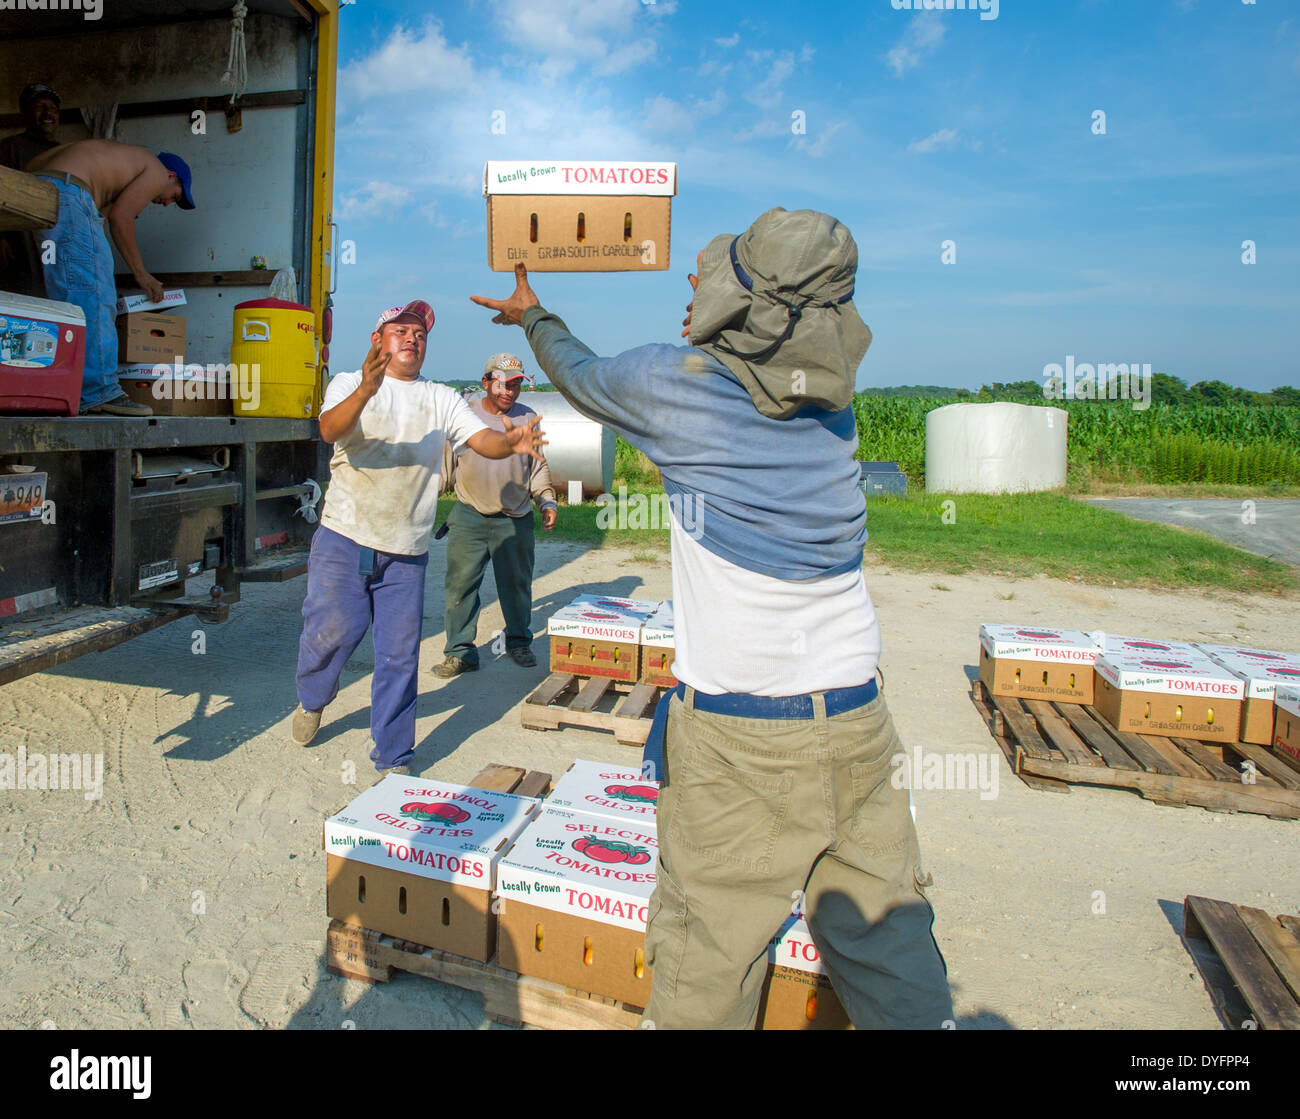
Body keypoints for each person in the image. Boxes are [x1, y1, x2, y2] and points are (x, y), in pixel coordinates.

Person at [471, 209, 954, 1030]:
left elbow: (578, 371)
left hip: (741, 737)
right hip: (858, 722)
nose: (694, 281)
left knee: (706, 964)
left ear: (747, 303)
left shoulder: (675, 385)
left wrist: (531, 314)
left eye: (713, 274)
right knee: (887, 946)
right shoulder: (832, 409)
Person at [291, 302, 547, 777]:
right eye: (401, 330)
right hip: (345, 537)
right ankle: (312, 698)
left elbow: (481, 442)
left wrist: (509, 443)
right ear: (378, 339)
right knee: (331, 635)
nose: (413, 338)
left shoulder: (441, 398)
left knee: (399, 655)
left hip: (406, 549)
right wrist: (368, 389)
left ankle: (393, 755)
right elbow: (330, 430)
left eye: (421, 333)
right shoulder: (349, 383)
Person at [25, 140, 197, 416]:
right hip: (70, 194)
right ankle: (98, 391)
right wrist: (142, 275)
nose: (165, 203)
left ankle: (64, 388)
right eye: (174, 197)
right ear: (171, 176)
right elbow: (121, 218)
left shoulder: (109, 158)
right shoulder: (155, 170)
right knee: (95, 296)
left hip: (42, 192)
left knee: (66, 299)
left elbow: (35, 166)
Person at [433, 352, 558, 677]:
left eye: (515, 384)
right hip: (469, 516)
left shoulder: (528, 418)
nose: (509, 391)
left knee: (517, 586)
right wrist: (420, 500)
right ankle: (460, 653)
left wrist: (546, 500)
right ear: (486, 381)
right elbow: (445, 470)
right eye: (502, 383)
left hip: (514, 519)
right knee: (460, 587)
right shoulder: (465, 416)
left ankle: (518, 642)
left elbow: (538, 466)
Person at [0, 83, 63, 298]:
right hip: (18, 243)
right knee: (22, 297)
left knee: (53, 295)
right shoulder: (9, 147)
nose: (48, 113)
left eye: (53, 108)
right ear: (25, 113)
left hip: (53, 241)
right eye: (40, 106)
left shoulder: (65, 152)